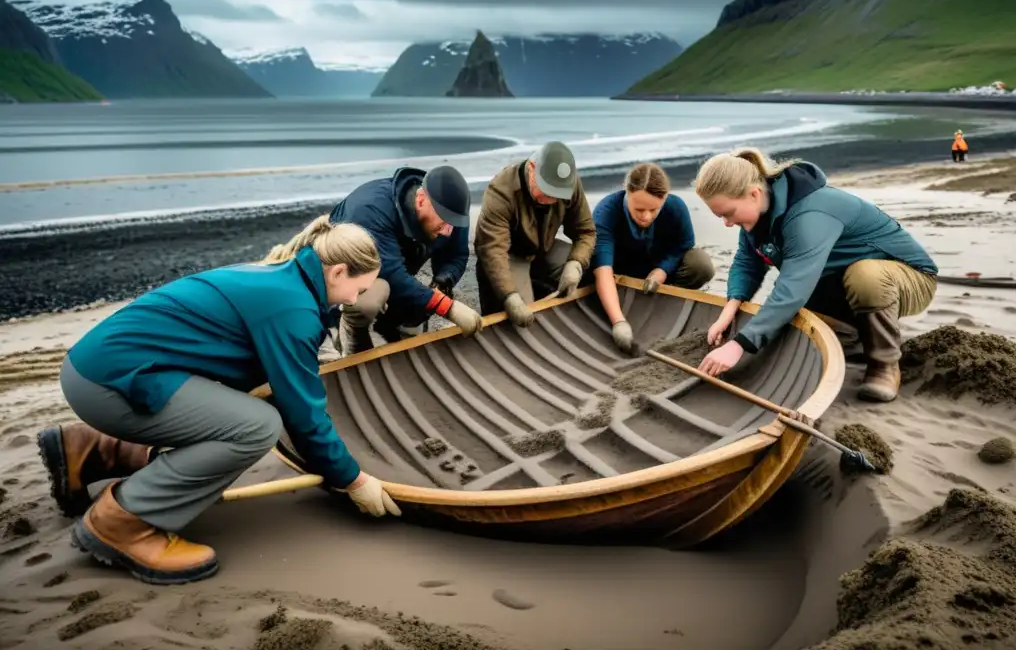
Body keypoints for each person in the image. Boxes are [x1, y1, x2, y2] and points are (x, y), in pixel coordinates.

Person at [36, 219, 402, 586]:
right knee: (256, 426)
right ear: (338, 271)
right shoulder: (292, 310)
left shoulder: (282, 276)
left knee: (235, 409)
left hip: (101, 365)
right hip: (106, 383)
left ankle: (92, 450)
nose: (355, 300)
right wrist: (353, 480)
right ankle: (125, 522)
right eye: (359, 288)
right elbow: (303, 416)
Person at [693, 147, 937, 403]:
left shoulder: (809, 214)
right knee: (793, 319)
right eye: (720, 217)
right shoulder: (759, 213)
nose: (727, 223)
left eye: (728, 214)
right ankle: (859, 338)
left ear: (754, 193)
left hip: (909, 278)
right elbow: (747, 261)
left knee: (864, 276)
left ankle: (884, 364)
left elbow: (793, 288)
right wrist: (729, 309)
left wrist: (738, 345)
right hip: (837, 281)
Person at [325, 165, 482, 356]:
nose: (448, 231)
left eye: (454, 223)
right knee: (367, 302)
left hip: (395, 269)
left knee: (423, 298)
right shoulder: (371, 210)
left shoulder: (450, 212)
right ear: (421, 199)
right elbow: (392, 274)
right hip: (350, 274)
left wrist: (444, 279)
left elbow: (456, 254)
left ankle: (394, 330)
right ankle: (348, 333)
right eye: (445, 221)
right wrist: (447, 307)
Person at [591, 163, 716, 353]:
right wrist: (618, 322)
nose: (646, 216)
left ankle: (669, 299)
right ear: (628, 193)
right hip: (621, 277)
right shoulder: (606, 212)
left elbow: (684, 244)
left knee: (701, 264)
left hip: (658, 273)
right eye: (639, 209)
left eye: (654, 210)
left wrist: (663, 270)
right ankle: (622, 306)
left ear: (664, 198)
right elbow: (603, 270)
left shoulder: (676, 207)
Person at [474, 141, 597, 326]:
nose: (551, 200)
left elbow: (585, 231)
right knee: (522, 317)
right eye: (547, 190)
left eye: (557, 195)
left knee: (593, 268)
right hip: (510, 255)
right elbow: (492, 251)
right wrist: (510, 296)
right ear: (532, 169)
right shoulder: (501, 191)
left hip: (545, 249)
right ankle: (521, 294)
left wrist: (576, 263)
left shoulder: (569, 184)